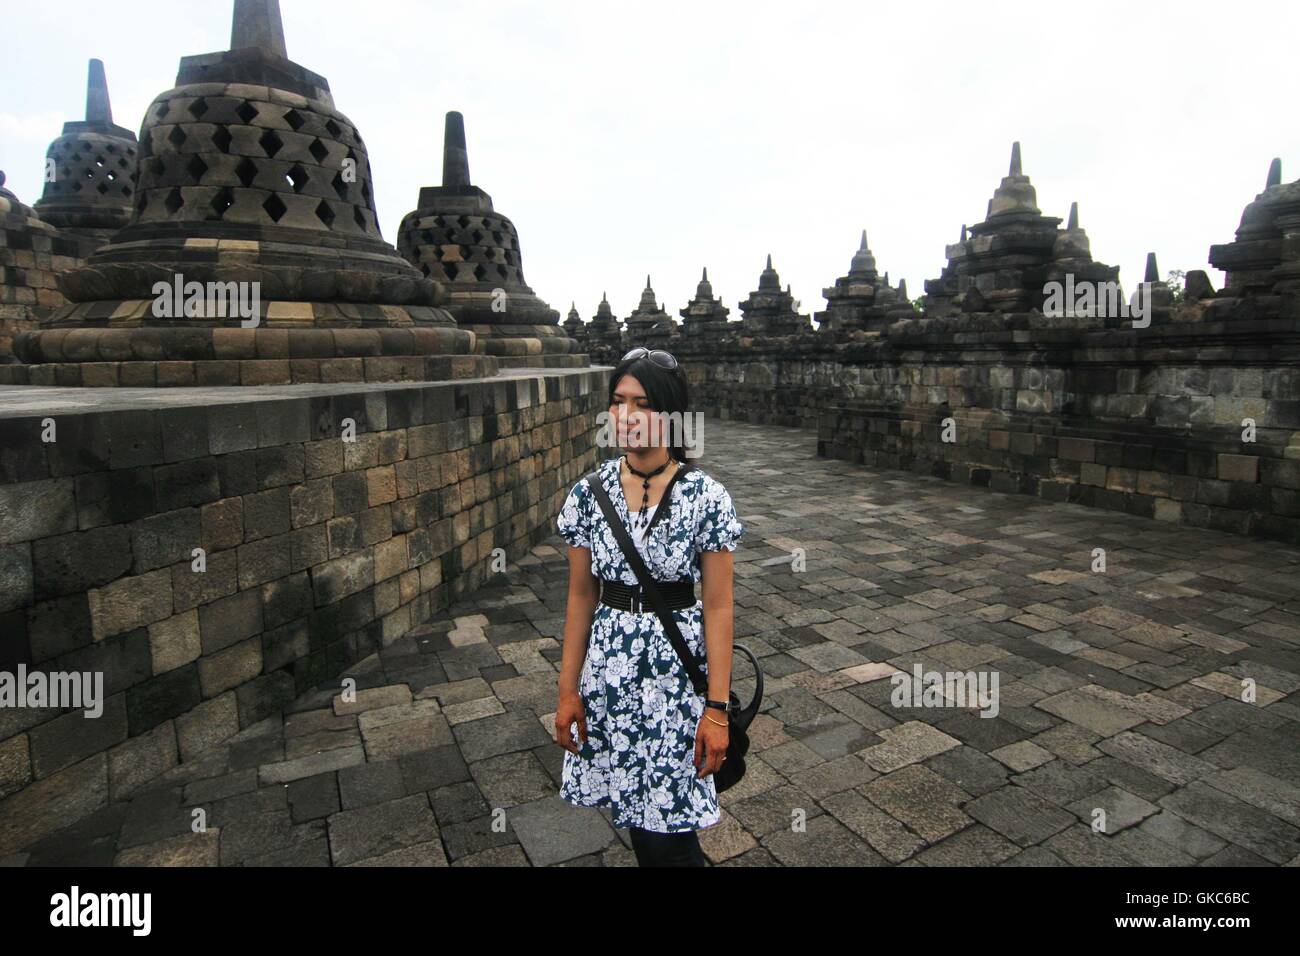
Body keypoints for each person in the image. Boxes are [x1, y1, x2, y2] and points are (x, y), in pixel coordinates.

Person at [553, 347, 746, 866]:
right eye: (618, 402)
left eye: (642, 403)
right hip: (609, 681)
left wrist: (718, 710)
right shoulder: (587, 496)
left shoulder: (707, 498)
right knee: (638, 820)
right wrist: (567, 690)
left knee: (670, 833)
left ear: (672, 413)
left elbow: (719, 609)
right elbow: (579, 597)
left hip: (676, 684)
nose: (626, 416)